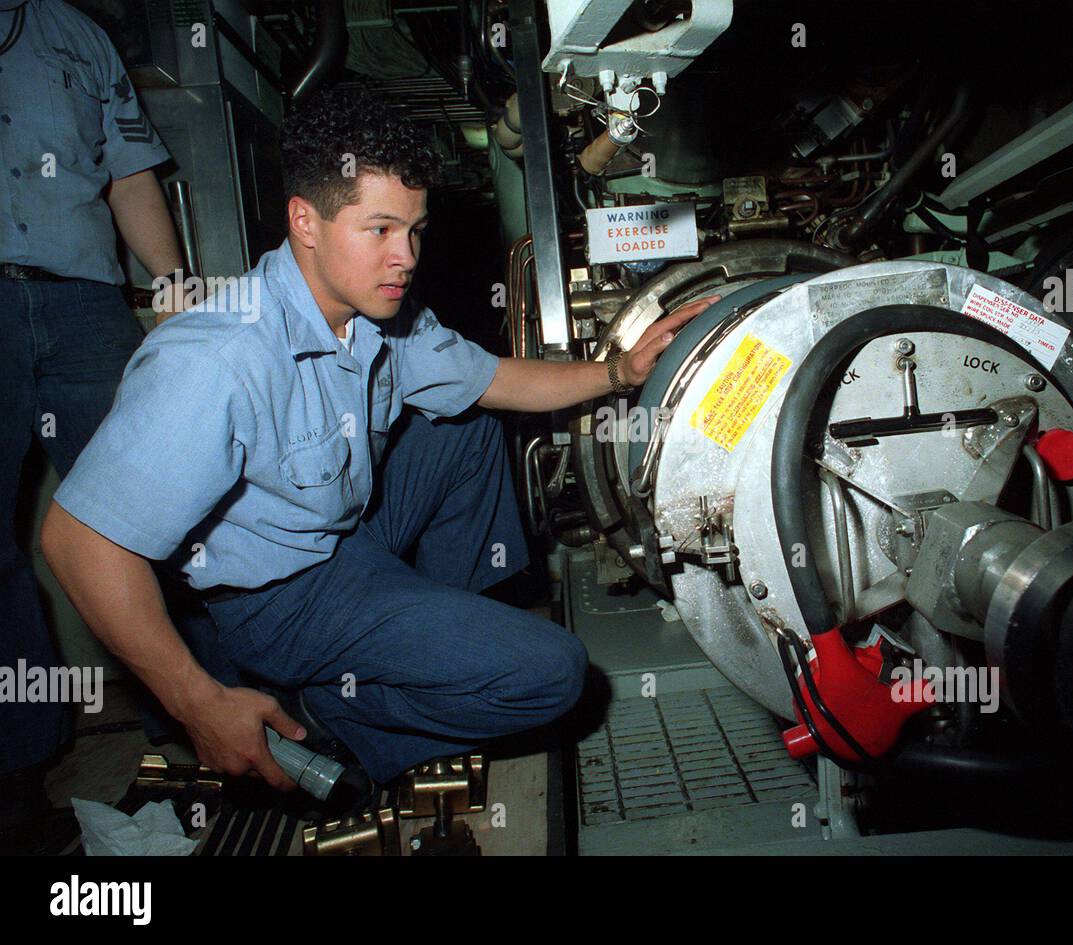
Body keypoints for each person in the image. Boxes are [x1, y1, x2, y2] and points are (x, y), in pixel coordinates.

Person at [40, 87, 717, 791]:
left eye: (417, 230)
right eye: (381, 230)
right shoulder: (216, 359)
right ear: (305, 220)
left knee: (468, 422)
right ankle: (330, 706)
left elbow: (493, 381)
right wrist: (197, 701)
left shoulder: (376, 314)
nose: (407, 257)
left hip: (348, 537)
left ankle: (422, 636)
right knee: (555, 675)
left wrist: (617, 370)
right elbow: (80, 542)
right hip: (280, 601)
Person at [0, 0, 185, 842]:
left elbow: (127, 172)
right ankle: (18, 772)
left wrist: (173, 284)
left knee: (158, 514)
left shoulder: (75, 32)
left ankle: (190, 722)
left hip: (84, 305)